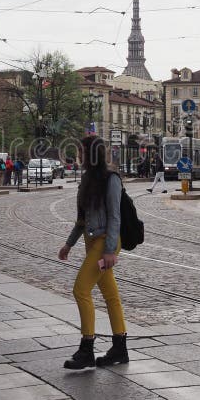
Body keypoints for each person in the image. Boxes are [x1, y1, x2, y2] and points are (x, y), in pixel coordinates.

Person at [58, 136, 128, 370]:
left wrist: (109, 251)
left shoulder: (111, 179)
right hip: (91, 241)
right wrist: (69, 244)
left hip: (105, 242)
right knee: (110, 294)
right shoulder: (87, 179)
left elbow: (115, 217)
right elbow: (82, 219)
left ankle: (87, 347)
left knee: (81, 289)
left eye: (82, 152)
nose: (79, 156)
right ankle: (120, 347)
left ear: (92, 154)